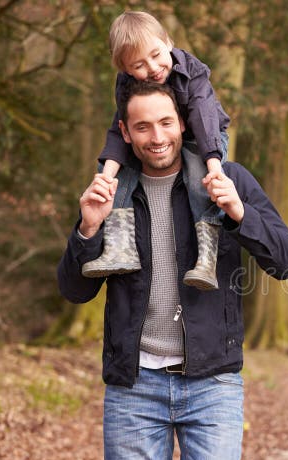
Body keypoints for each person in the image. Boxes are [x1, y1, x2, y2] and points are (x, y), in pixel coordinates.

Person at [57, 80, 288, 460]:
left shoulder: (227, 179)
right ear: (125, 132)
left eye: (166, 122)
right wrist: (88, 230)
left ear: (184, 123)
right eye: (143, 127)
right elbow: (74, 291)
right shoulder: (114, 190)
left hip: (212, 382)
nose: (157, 137)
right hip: (134, 385)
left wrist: (240, 214)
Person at [82, 10, 232, 291]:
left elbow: (204, 119)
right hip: (154, 141)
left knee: (198, 177)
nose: (152, 68)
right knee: (115, 174)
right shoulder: (127, 85)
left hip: (204, 138)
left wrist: (214, 166)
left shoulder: (192, 71)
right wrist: (106, 176)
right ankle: (120, 248)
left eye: (156, 54)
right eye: (139, 65)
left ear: (168, 42)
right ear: (126, 70)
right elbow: (119, 129)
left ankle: (207, 257)